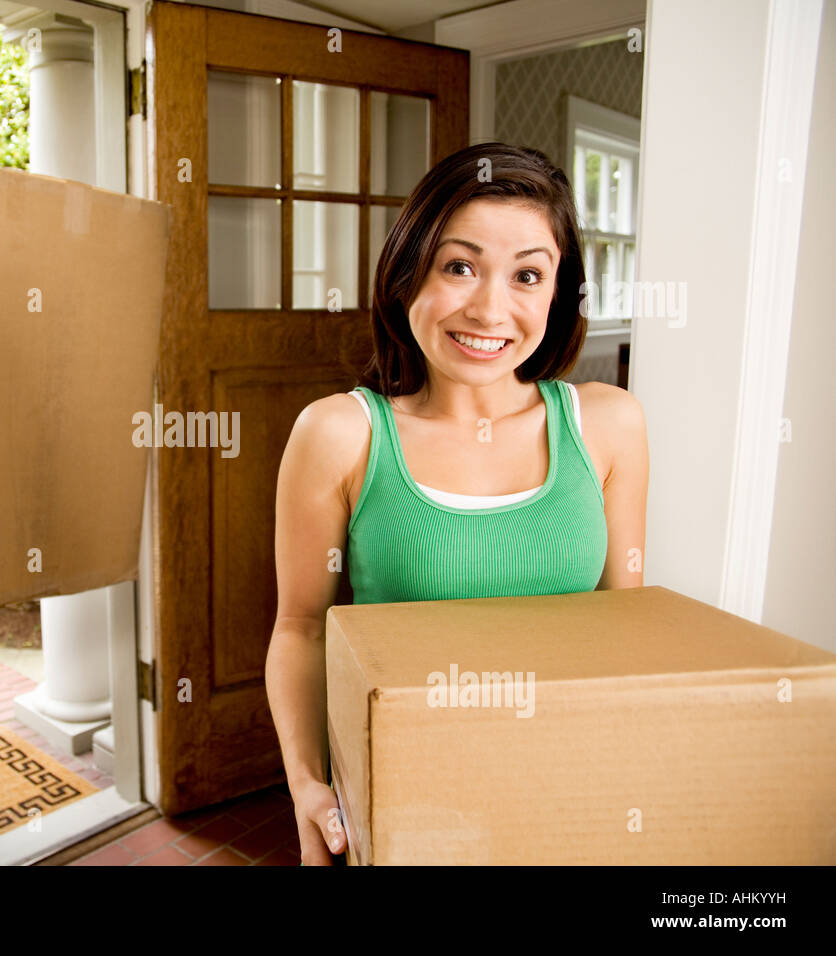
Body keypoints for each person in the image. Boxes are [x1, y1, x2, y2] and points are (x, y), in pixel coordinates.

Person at [265, 143, 649, 866]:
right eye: (459, 266)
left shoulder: (609, 424)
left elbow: (621, 629)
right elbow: (301, 628)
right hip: (407, 805)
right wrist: (307, 785)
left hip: (567, 800)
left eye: (528, 275)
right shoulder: (341, 433)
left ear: (557, 295)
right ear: (409, 272)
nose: (489, 308)